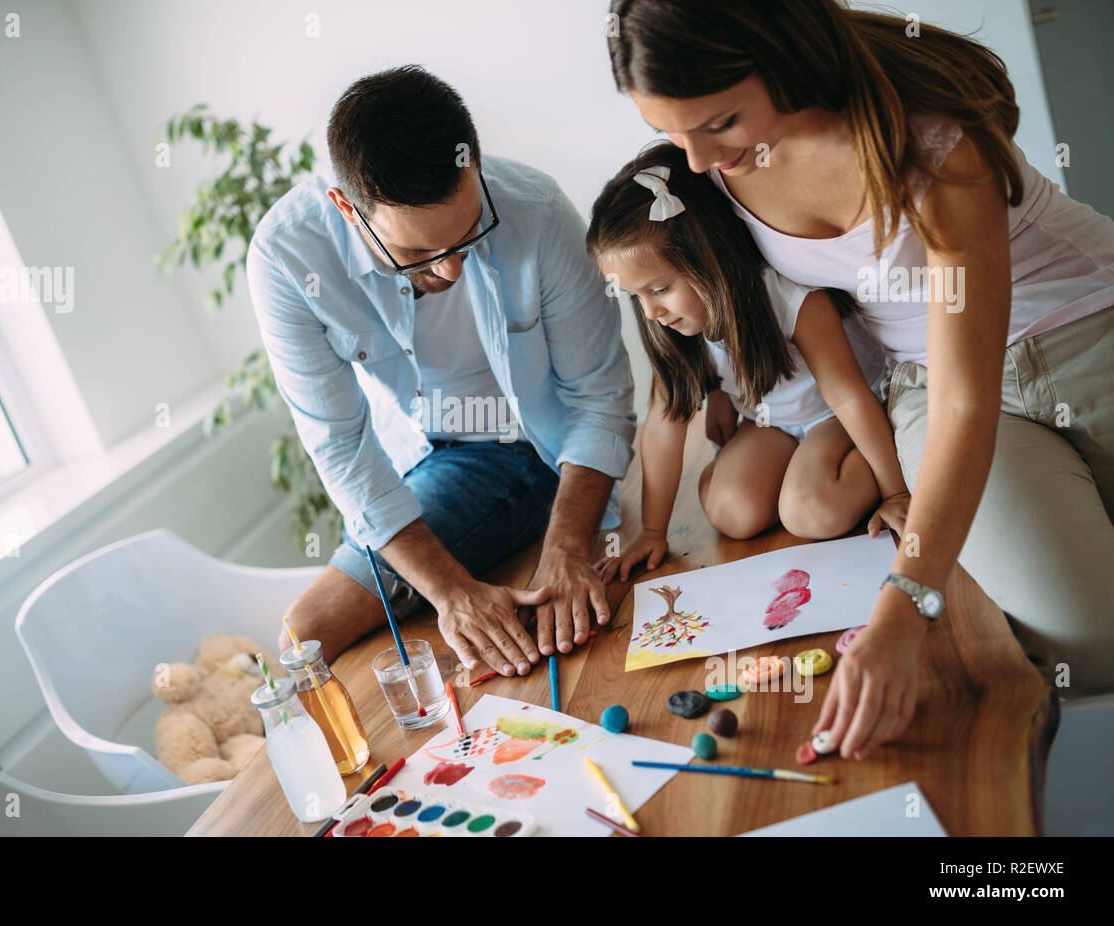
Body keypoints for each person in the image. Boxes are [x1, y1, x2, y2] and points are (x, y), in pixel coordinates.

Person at [607, 0, 1114, 759]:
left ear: (779, 53)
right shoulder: (707, 177)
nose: (699, 161)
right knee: (1090, 642)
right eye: (671, 133)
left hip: (1087, 327)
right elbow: (678, 280)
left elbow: (970, 397)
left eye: (718, 125)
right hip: (929, 385)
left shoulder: (931, 143)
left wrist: (902, 610)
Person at [247, 65, 636, 678]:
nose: (450, 270)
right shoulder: (285, 257)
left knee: (312, 630)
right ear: (346, 208)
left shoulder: (536, 210)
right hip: (409, 459)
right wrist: (451, 593)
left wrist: (567, 550)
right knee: (303, 635)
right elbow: (341, 449)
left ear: (474, 167)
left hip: (527, 449)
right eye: (415, 253)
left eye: (467, 233)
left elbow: (599, 398)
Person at [586, 143, 907, 587]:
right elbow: (664, 424)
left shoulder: (789, 297)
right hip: (771, 423)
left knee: (812, 510)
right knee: (730, 512)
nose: (650, 313)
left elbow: (846, 394)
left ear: (708, 258)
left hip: (841, 414)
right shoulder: (674, 326)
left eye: (658, 289)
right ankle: (791, 467)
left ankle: (889, 459)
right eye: (634, 296)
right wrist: (652, 532)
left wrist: (896, 493)